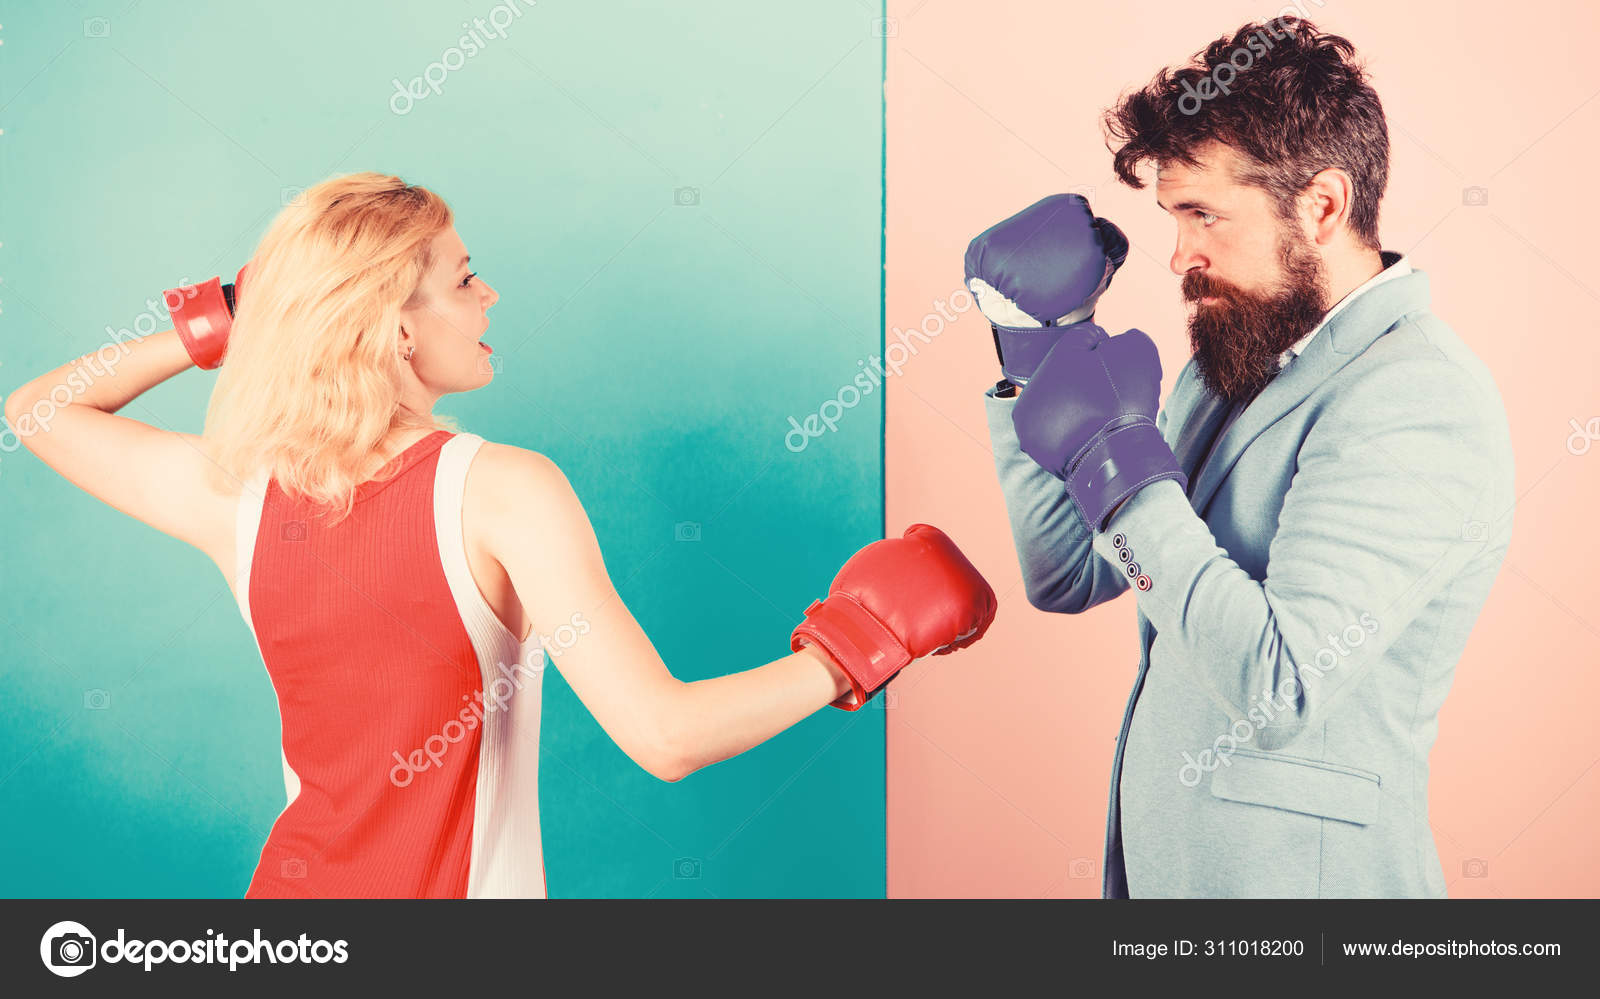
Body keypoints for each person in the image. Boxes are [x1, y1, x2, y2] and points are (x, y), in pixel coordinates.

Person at [4, 172, 997, 899]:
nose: (490, 300)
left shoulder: (239, 495)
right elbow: (664, 736)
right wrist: (859, 646)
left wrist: (221, 322)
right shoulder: (500, 491)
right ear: (396, 328)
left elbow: (38, 411)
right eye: (465, 280)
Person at [967, 20, 1513, 897]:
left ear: (1322, 205)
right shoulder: (1230, 367)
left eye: (1202, 215)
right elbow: (1069, 573)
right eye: (1171, 217)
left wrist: (1118, 464)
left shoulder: (1416, 398)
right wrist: (1039, 352)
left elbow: (1281, 686)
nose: (1179, 255)